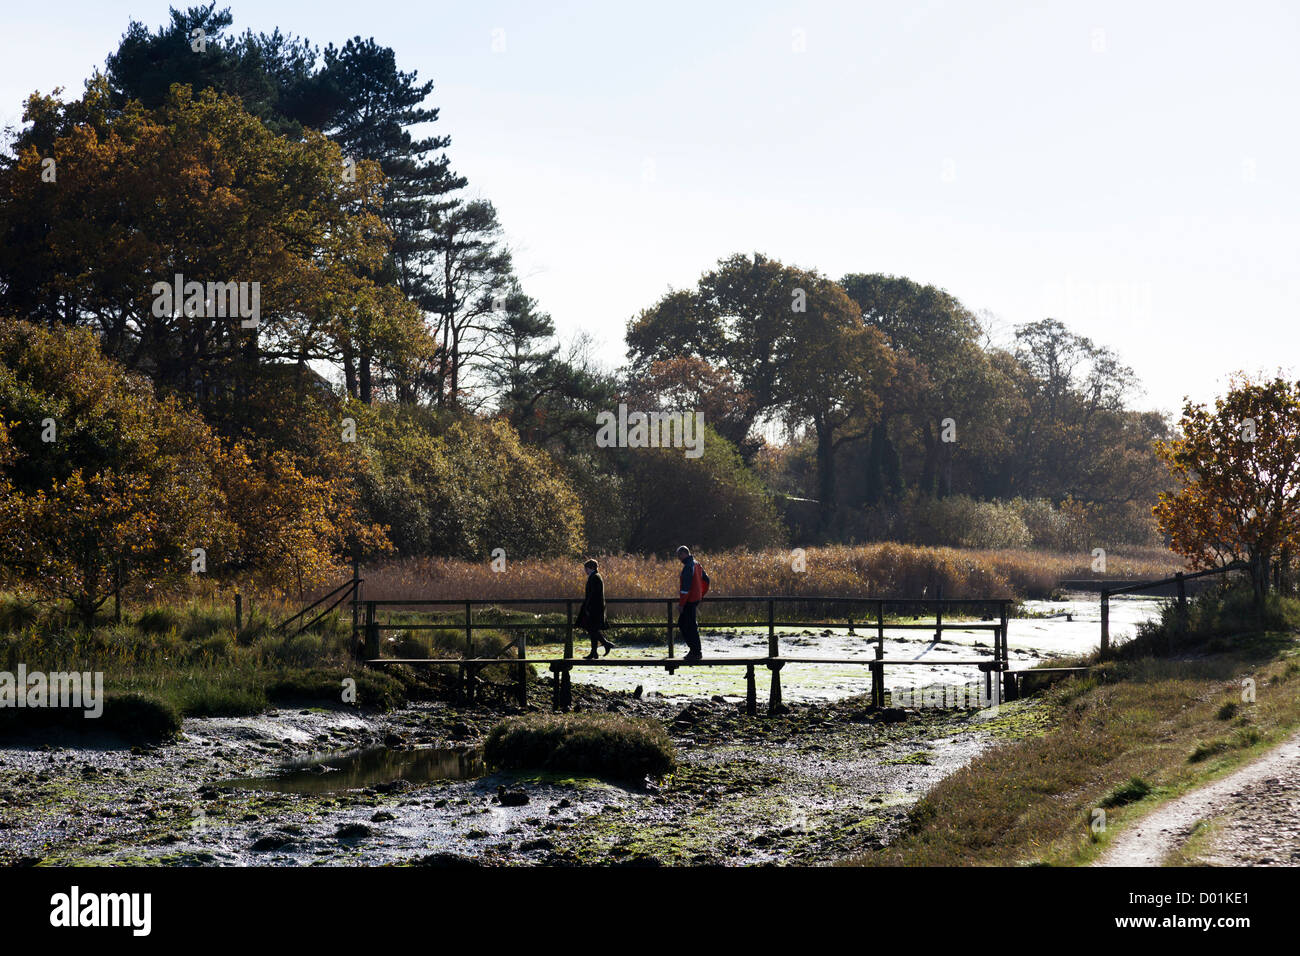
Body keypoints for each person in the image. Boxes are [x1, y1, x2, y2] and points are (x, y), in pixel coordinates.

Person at [676, 545, 710, 661]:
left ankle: (695, 652)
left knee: (686, 625)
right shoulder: (697, 564)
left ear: (684, 554)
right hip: (695, 599)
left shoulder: (688, 567)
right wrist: (701, 594)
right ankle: (695, 651)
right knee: (690, 625)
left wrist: (681, 604)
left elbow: (685, 588)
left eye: (679, 555)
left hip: (689, 601)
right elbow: (706, 580)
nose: (678, 558)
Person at [576, 558, 614, 660]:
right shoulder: (595, 576)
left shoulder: (595, 577)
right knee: (592, 629)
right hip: (595, 608)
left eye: (586, 568)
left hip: (594, 609)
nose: (585, 571)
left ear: (590, 568)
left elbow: (593, 595)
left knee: (592, 629)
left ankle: (605, 644)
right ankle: (594, 652)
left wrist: (588, 607)